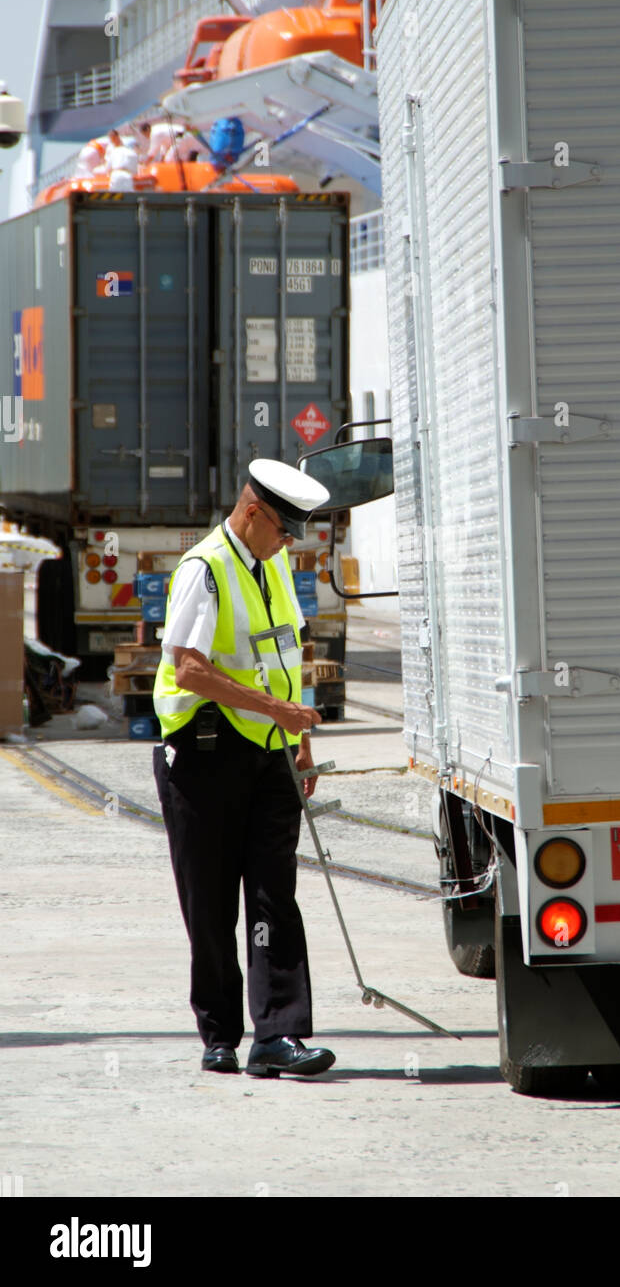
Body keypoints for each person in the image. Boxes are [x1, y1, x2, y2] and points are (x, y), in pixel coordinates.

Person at [152, 459, 336, 1079]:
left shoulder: (274, 563)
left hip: (269, 756)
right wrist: (278, 710)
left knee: (273, 895)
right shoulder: (204, 569)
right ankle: (220, 1033)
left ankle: (278, 1035)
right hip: (204, 756)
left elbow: (288, 649)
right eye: (285, 530)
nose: (290, 543)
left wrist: (297, 739)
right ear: (253, 513)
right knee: (209, 902)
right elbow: (190, 670)